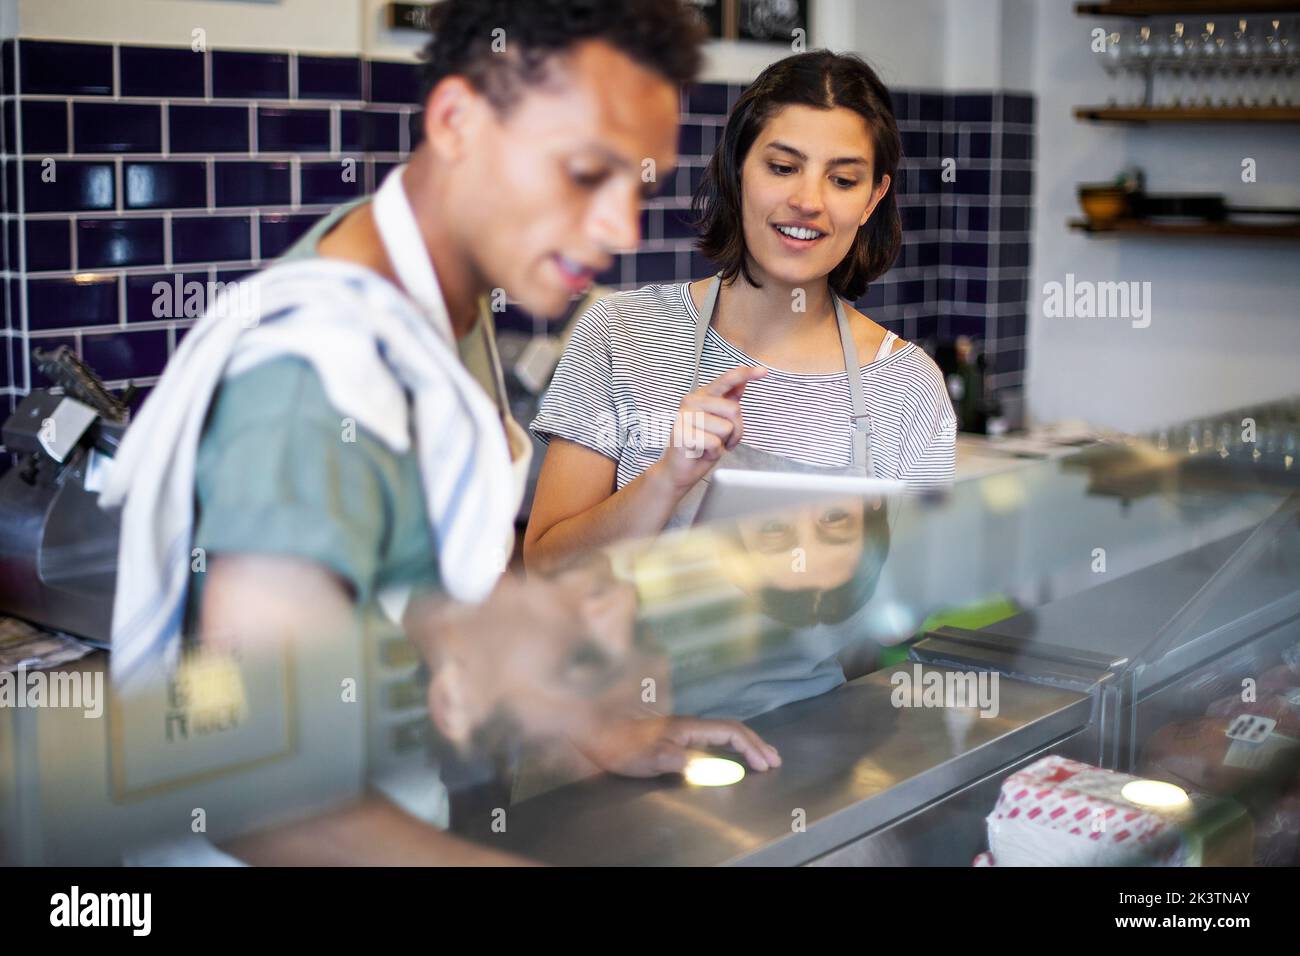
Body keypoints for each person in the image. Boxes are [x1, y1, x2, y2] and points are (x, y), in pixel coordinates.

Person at [99, 0, 776, 866]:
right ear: (456, 120)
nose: (622, 229)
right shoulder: (315, 383)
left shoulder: (437, 305)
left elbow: (409, 583)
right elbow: (260, 797)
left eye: (638, 186)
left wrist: (591, 727)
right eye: (583, 173)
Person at [525, 50, 957, 575]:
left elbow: (910, 600)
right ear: (737, 169)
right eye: (782, 167)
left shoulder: (908, 386)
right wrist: (668, 478)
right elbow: (545, 569)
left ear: (872, 199)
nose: (808, 200)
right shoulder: (619, 332)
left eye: (842, 180)